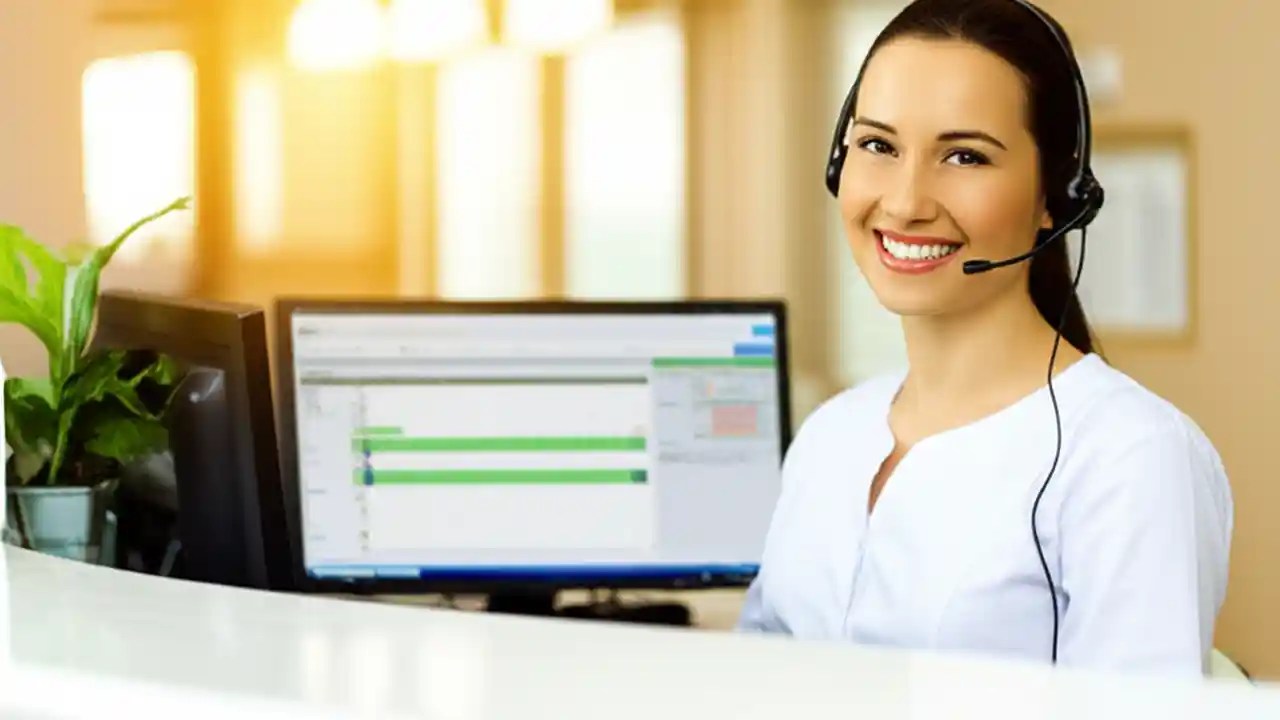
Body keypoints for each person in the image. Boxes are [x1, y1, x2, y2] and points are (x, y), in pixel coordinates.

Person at [737, 0, 1233, 678]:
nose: (907, 201)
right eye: (878, 146)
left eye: (965, 156)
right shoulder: (830, 436)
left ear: (1057, 196)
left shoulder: (1129, 457)